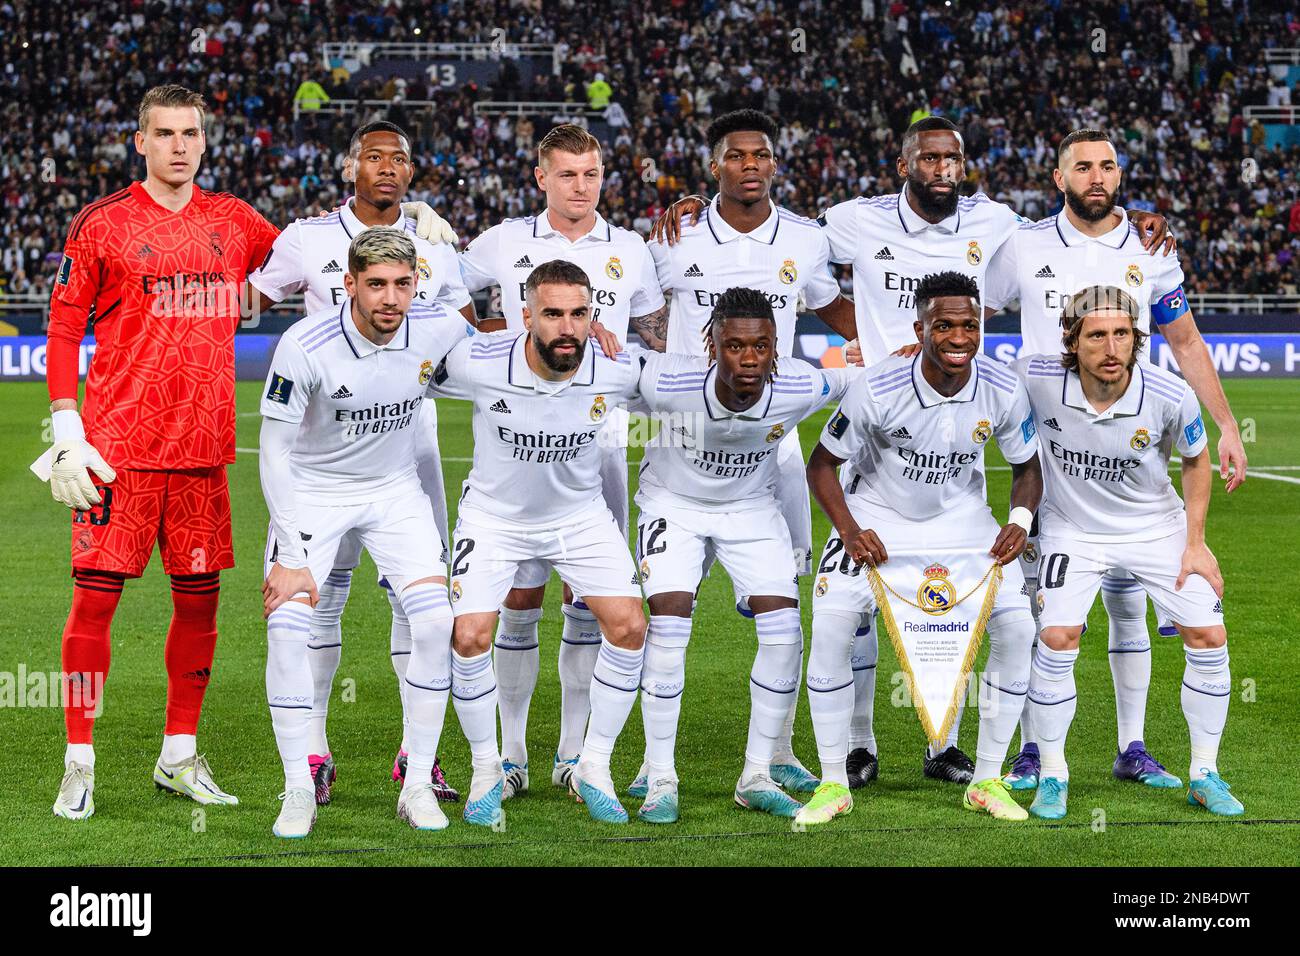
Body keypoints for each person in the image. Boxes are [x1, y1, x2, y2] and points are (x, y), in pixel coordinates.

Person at [38, 84, 280, 821]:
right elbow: (61, 328)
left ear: (205, 142)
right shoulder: (102, 224)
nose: (180, 145)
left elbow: (310, 258)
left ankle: (178, 755)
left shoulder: (235, 221)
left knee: (200, 608)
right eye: (165, 133)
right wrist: (64, 426)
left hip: (205, 452)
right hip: (118, 453)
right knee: (92, 609)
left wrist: (395, 229)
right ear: (138, 141)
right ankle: (79, 761)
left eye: (191, 134)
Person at [984, 128, 1248, 792]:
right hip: (1051, 456)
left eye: (1107, 166)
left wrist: (1224, 424)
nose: (1096, 176)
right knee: (1046, 612)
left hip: (1127, 444)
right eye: (1082, 167)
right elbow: (974, 315)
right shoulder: (1023, 245)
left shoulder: (1152, 248)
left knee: (1127, 603)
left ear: (1120, 175)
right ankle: (1033, 753)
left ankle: (1132, 746)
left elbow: (1184, 341)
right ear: (1058, 177)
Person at [631, 108, 861, 798]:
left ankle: (779, 750)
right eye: (736, 155)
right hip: (678, 437)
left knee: (784, 603)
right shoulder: (675, 234)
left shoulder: (807, 240)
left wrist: (888, 343)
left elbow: (833, 308)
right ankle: (650, 764)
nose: (751, 164)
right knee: (665, 610)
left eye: (762, 154)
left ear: (775, 164)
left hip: (770, 445)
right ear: (714, 166)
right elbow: (641, 315)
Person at [250, 120, 475, 805]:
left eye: (399, 158)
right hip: (325, 445)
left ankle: (417, 757)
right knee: (320, 599)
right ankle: (314, 753)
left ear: (412, 172)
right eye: (373, 156)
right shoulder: (307, 237)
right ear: (351, 166)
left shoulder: (436, 242)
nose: (387, 167)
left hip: (411, 441)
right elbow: (246, 302)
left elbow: (472, 336)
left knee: (420, 602)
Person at [457, 125, 662, 798]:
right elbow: (442, 298)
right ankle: (511, 755)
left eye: (593, 173)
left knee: (591, 603)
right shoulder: (501, 241)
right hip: (516, 443)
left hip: (597, 443)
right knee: (519, 597)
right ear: (541, 177)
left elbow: (655, 336)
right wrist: (487, 333)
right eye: (568, 174)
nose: (582, 186)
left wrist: (625, 351)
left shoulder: (630, 249)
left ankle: (574, 756)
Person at [801, 271, 1043, 825]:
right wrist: (849, 529)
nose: (959, 338)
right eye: (945, 326)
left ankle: (986, 778)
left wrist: (1021, 519)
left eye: (970, 326)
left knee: (1017, 627)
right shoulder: (878, 388)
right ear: (920, 327)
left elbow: (1027, 467)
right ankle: (833, 782)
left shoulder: (1003, 388)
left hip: (965, 524)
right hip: (880, 521)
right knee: (834, 621)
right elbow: (822, 466)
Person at [429, 259, 648, 827]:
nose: (567, 327)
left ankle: (592, 766)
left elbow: (693, 381)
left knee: (628, 625)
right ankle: (487, 772)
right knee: (470, 634)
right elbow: (405, 360)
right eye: (552, 314)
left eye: (579, 314)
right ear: (524, 315)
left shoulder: (617, 368)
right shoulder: (479, 360)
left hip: (579, 518)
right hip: (494, 518)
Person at [1013, 286, 1241, 819]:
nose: (1112, 347)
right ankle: (1053, 772)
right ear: (1071, 340)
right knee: (1056, 636)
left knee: (1208, 635)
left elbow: (1196, 458)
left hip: (1156, 528)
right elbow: (970, 377)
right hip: (1072, 530)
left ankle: (1205, 773)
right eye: (1097, 335)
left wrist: (1196, 542)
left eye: (1123, 334)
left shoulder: (1167, 392)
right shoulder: (1037, 378)